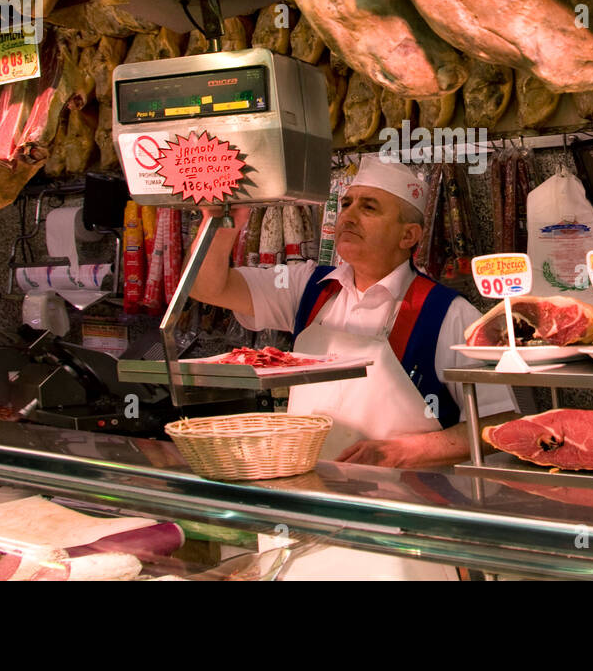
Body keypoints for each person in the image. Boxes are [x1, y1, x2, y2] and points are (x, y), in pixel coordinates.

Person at [191, 156, 519, 468]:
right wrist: (217, 218)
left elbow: (499, 423)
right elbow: (207, 287)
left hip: (407, 504)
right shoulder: (307, 286)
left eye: (369, 207)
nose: (347, 216)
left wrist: (403, 453)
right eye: (346, 204)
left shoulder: (449, 313)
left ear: (409, 236)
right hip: (312, 488)